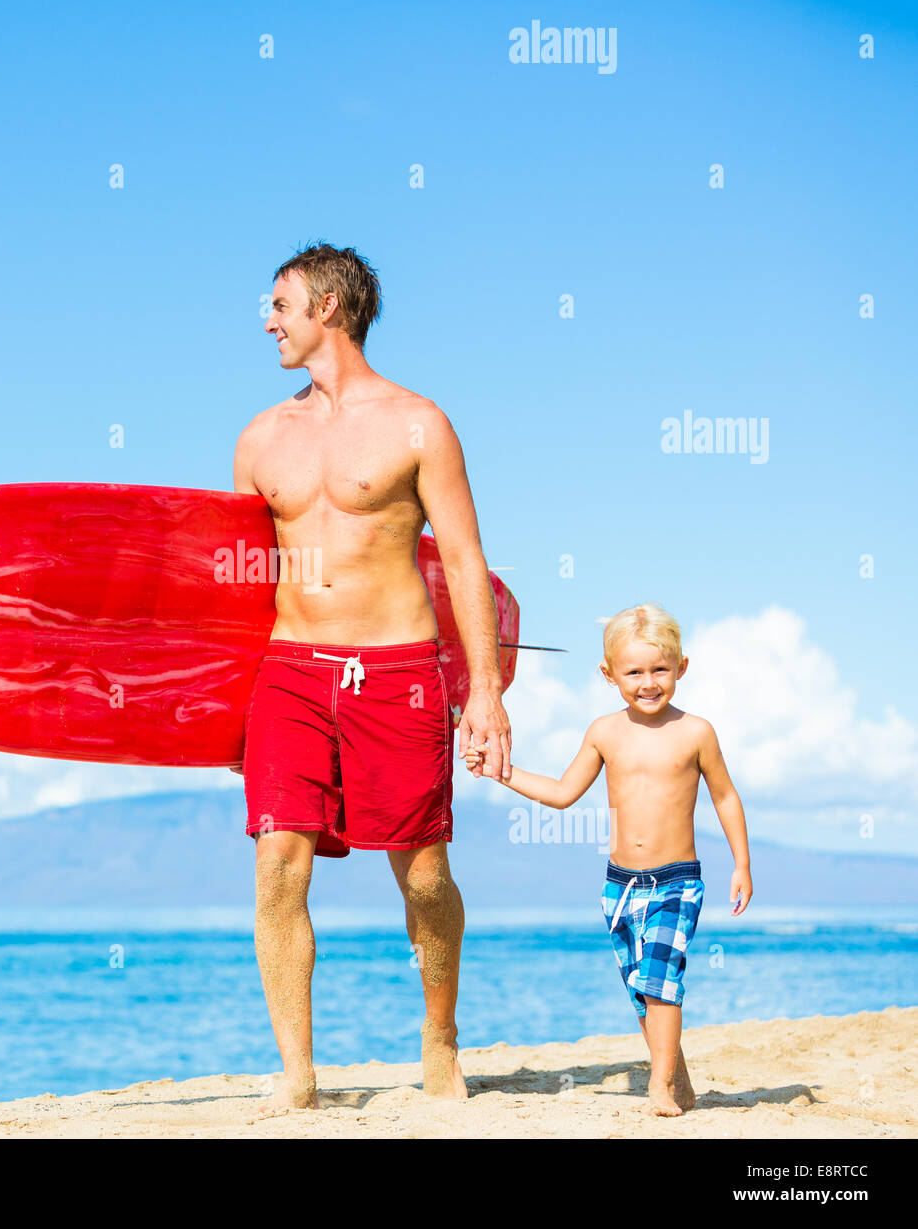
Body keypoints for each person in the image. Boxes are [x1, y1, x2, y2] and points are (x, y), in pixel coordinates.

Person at [232, 242, 512, 1109]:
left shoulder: (418, 424)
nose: (266, 320)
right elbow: (236, 580)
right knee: (279, 861)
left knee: (422, 873)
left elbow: (464, 562)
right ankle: (298, 1075)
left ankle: (439, 1037)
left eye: (280, 303)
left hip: (397, 670)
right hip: (287, 670)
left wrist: (486, 694)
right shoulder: (260, 437)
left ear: (330, 309)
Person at [468, 602, 753, 1115]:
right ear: (609, 675)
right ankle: (677, 1077)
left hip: (676, 881)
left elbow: (726, 797)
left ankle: (659, 1085)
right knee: (641, 990)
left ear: (681, 667)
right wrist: (498, 771)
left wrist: (742, 864)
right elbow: (560, 792)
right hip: (619, 884)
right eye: (635, 672)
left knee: (662, 981)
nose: (649, 682)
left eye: (660, 669)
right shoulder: (604, 732)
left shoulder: (697, 732)